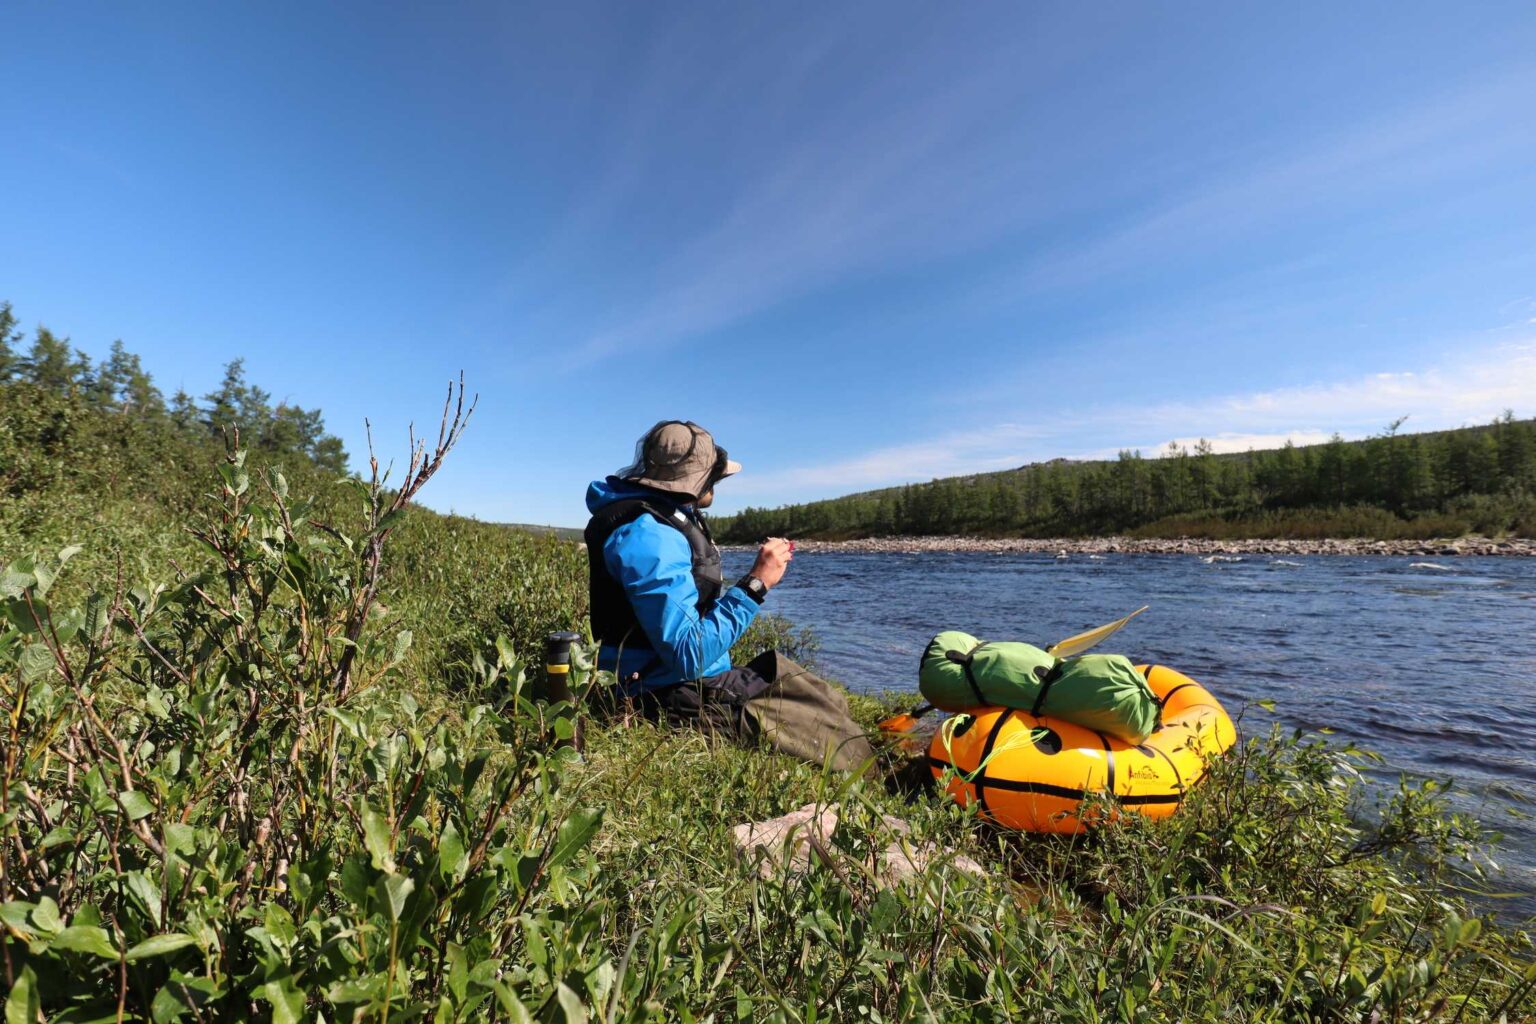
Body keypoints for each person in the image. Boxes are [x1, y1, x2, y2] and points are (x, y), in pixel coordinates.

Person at [584, 420, 875, 772]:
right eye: (715, 476)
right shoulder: (650, 538)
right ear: (697, 480)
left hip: (680, 678)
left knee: (815, 691)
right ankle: (878, 777)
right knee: (840, 743)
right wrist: (756, 583)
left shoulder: (658, 517)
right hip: (664, 692)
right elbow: (687, 654)